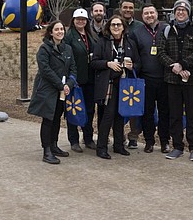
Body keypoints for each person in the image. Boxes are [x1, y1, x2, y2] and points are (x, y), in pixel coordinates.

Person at [159, 0, 193, 161]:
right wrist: (175, 67)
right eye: (177, 10)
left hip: (192, 79)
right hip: (172, 78)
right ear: (174, 13)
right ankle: (177, 146)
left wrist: (184, 65)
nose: (180, 12)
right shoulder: (166, 30)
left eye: (184, 10)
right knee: (175, 114)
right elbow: (161, 52)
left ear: (189, 13)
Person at [28, 20, 76, 164]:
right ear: (51, 32)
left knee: (57, 118)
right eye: (57, 29)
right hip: (48, 90)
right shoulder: (44, 49)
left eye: (62, 29)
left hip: (62, 90)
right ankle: (46, 150)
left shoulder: (67, 48)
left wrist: (69, 84)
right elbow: (45, 70)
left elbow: (73, 68)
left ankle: (54, 145)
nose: (60, 31)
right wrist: (61, 85)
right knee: (48, 119)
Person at [91, 15, 136, 160]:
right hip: (108, 84)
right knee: (108, 115)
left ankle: (118, 145)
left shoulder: (130, 42)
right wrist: (107, 64)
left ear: (123, 27)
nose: (116, 27)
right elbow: (94, 63)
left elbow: (139, 63)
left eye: (119, 25)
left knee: (120, 115)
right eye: (113, 25)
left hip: (124, 84)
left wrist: (132, 66)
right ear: (108, 27)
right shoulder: (102, 42)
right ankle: (101, 147)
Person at [129, 3, 171, 153]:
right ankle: (149, 141)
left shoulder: (167, 29)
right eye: (146, 13)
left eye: (151, 13)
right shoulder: (137, 32)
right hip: (146, 79)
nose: (149, 16)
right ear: (142, 16)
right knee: (147, 112)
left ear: (156, 14)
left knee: (165, 111)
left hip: (165, 78)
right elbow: (135, 56)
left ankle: (165, 141)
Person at [64, 8, 97, 152]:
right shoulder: (69, 36)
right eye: (78, 19)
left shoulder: (91, 34)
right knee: (74, 109)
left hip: (90, 78)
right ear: (73, 20)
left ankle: (88, 138)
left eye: (83, 19)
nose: (80, 21)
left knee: (89, 110)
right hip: (75, 79)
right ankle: (73, 140)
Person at [118, 0, 142, 148]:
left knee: (133, 105)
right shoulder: (113, 23)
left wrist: (136, 66)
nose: (128, 10)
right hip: (116, 74)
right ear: (120, 9)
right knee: (117, 107)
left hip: (135, 72)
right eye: (125, 7)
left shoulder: (139, 27)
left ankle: (133, 136)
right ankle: (119, 136)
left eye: (131, 8)